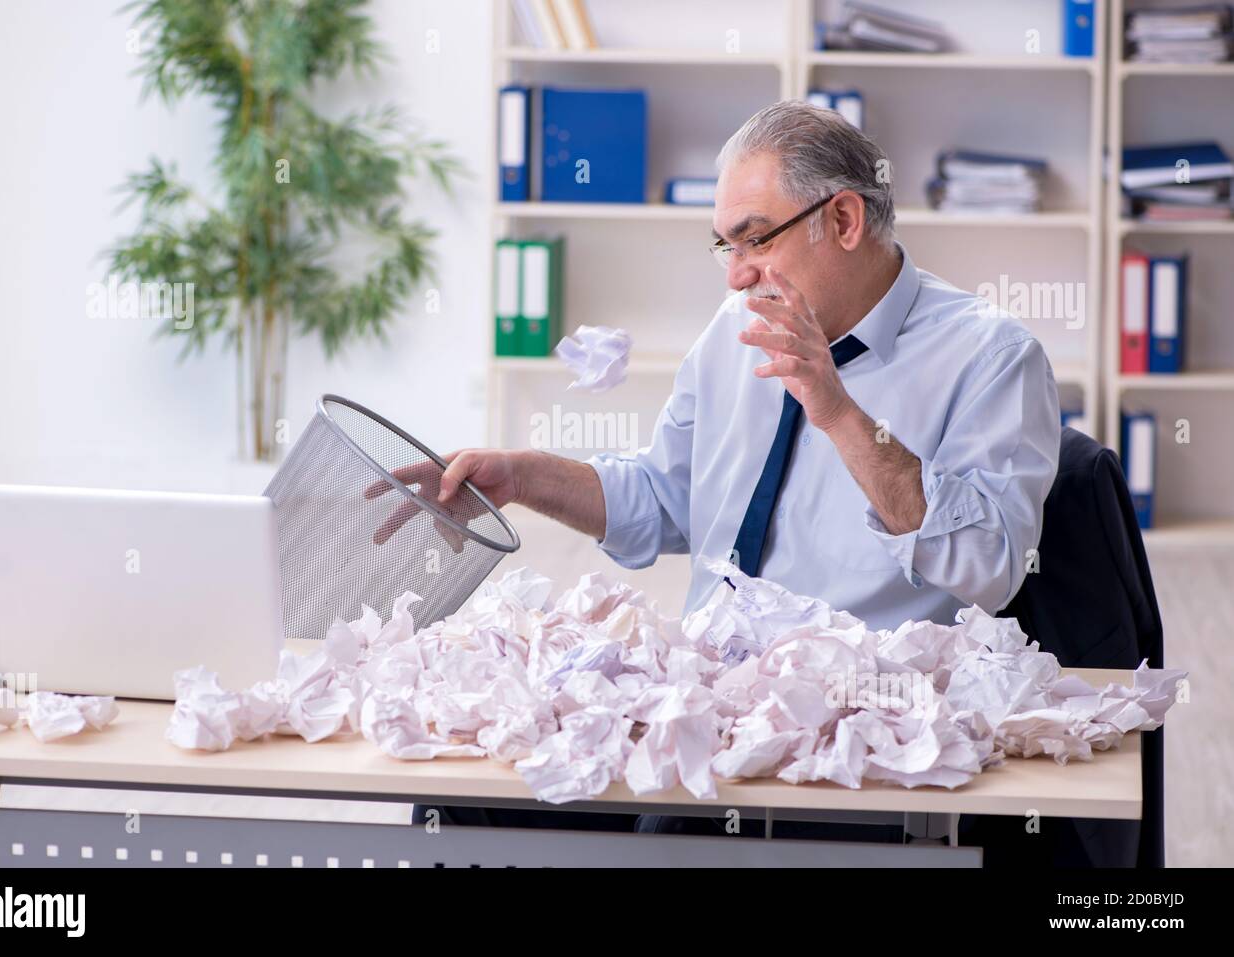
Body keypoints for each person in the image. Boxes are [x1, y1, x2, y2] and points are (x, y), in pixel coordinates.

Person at [408, 100, 1061, 839]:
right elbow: (663, 498)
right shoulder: (734, 331)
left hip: (846, 738)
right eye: (724, 245)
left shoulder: (991, 357)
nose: (737, 276)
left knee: (669, 839)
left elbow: (993, 565)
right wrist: (523, 476)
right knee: (456, 799)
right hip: (697, 701)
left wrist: (838, 409)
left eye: (755, 239)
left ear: (844, 221)